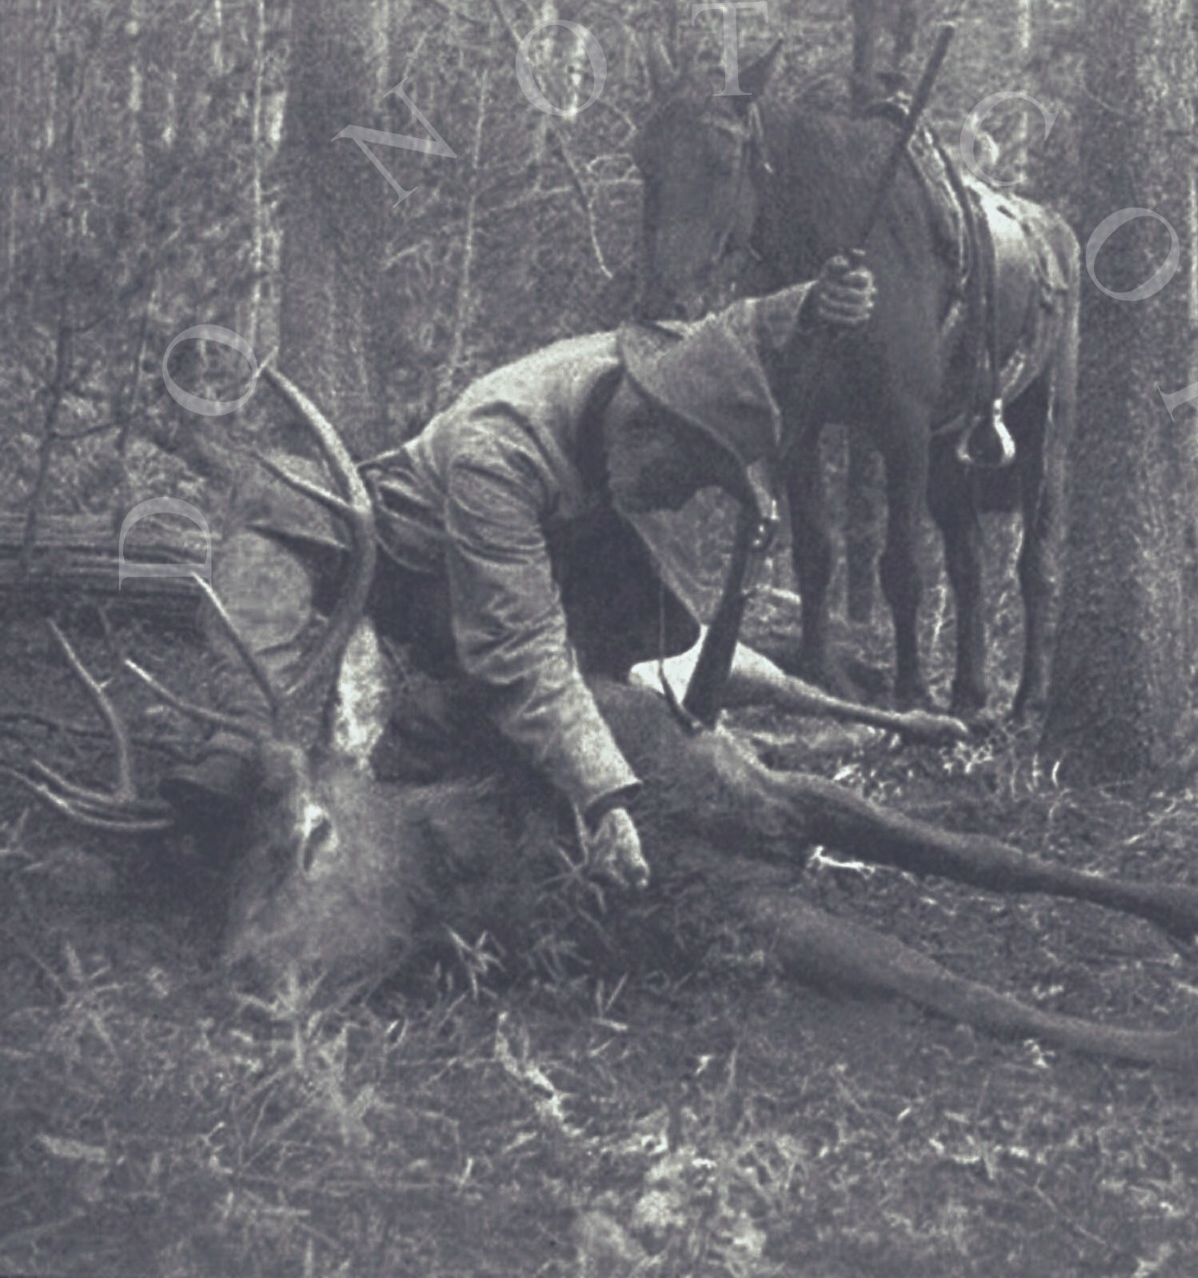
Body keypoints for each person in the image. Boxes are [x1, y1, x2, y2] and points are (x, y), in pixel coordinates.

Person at [162, 259, 876, 888]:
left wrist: (812, 308)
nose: (683, 496)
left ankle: (442, 736)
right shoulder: (498, 453)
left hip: (526, 579)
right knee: (279, 501)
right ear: (646, 429)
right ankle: (243, 744)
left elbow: (738, 331)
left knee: (519, 704)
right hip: (416, 566)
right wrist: (604, 795)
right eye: (685, 474)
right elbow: (519, 647)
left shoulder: (664, 368)